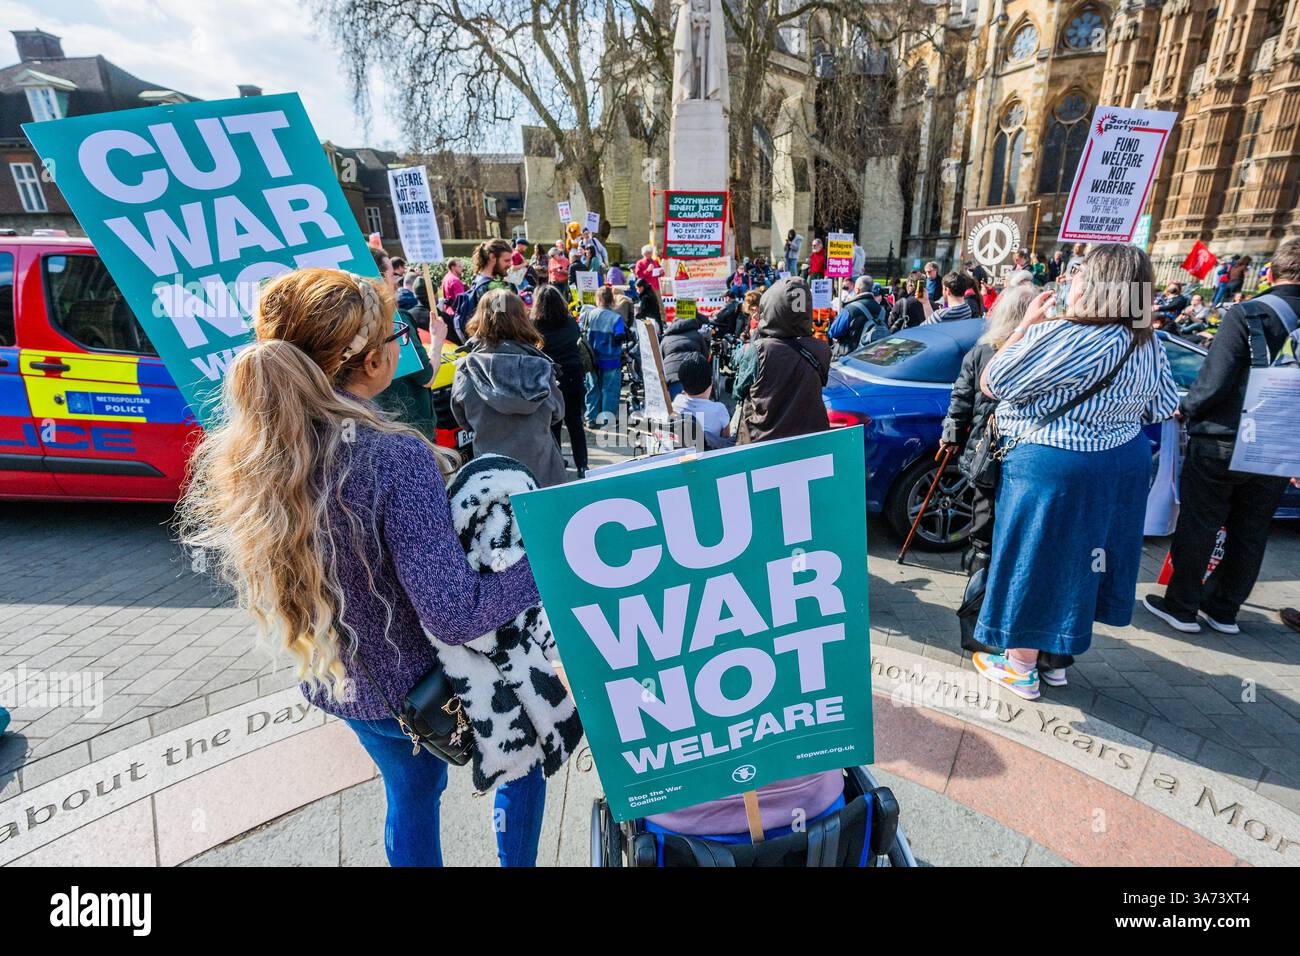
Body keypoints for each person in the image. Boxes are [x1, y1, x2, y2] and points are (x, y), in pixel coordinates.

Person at [177, 268, 547, 867]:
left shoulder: (263, 446)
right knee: (524, 762)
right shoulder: (391, 455)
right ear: (372, 361)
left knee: (412, 791)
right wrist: (547, 565)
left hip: (338, 680)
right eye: (401, 330)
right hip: (422, 687)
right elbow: (455, 613)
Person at [968, 244, 1179, 699]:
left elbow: (994, 382)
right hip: (1120, 462)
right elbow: (1164, 406)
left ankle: (1021, 666)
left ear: (1097, 283)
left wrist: (1025, 328)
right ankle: (1056, 662)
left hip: (1055, 464)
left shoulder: (1064, 335)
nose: (1071, 278)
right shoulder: (1148, 339)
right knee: (1085, 560)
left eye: (1079, 271)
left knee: (1037, 557)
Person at [1142, 238, 1300, 635]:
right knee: (1252, 529)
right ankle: (1224, 610)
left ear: (1271, 271)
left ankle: (1181, 608)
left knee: (1201, 523)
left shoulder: (1248, 313)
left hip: (1224, 439)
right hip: (1280, 442)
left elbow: (1214, 382)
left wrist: (1186, 408)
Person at [941, 283, 1038, 577]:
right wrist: (952, 435)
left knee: (985, 514)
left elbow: (960, 400)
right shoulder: (1036, 351)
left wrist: (951, 436)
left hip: (989, 448)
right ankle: (987, 575)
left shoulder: (985, 350)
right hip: (1017, 448)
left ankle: (980, 575)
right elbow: (962, 399)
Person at [452, 288, 566, 488]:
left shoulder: (467, 368)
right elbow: (557, 413)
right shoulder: (540, 366)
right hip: (541, 473)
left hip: (492, 477)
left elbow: (463, 419)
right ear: (521, 318)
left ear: (480, 318)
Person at [734, 276, 831, 444]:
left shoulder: (759, 350)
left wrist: (756, 336)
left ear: (770, 308)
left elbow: (738, 390)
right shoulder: (822, 349)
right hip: (810, 443)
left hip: (764, 445)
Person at [372, 248, 442, 442]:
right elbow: (426, 377)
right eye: (392, 274)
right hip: (414, 432)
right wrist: (437, 340)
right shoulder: (395, 320)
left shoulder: (352, 322)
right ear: (381, 277)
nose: (396, 281)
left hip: (377, 429)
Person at [533, 284, 588, 478]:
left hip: (549, 381)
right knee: (575, 424)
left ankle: (558, 465)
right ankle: (582, 465)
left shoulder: (534, 326)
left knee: (552, 425)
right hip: (573, 378)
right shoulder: (570, 322)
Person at [452, 238, 515, 345]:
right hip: (495, 345)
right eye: (506, 261)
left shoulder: (478, 279)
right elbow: (501, 322)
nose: (510, 265)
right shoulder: (493, 287)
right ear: (492, 257)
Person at [582, 285, 628, 426]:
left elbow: (582, 333)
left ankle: (591, 418)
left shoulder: (589, 315)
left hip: (591, 359)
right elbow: (620, 336)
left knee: (592, 388)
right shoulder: (616, 318)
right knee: (610, 390)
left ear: (598, 299)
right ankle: (607, 420)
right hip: (611, 359)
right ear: (611, 300)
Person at [671, 352, 732, 447]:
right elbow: (726, 441)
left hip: (682, 456)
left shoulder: (676, 404)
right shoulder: (719, 410)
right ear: (711, 382)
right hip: (710, 458)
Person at [659, 306, 709, 399]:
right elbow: (704, 356)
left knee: (676, 409)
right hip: (693, 376)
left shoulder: (666, 339)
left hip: (671, 377)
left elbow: (660, 360)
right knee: (696, 410)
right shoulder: (697, 335)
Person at [829, 275, 887, 355]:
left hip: (850, 356)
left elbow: (833, 332)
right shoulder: (882, 310)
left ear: (857, 290)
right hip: (874, 356)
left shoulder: (850, 308)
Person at [439, 258, 466, 325]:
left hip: (448, 311)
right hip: (456, 314)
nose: (462, 268)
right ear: (453, 267)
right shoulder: (455, 280)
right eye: (459, 266)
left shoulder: (446, 277)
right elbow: (462, 301)